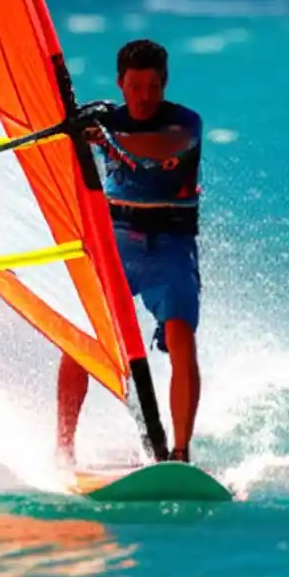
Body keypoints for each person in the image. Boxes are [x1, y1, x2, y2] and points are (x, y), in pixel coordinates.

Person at [57, 38, 204, 466]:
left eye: (153, 87)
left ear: (164, 85)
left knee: (180, 337)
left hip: (170, 248)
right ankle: (63, 450)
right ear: (121, 84)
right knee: (79, 340)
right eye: (135, 87)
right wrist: (71, 130)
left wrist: (107, 137)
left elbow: (157, 148)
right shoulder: (104, 121)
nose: (143, 97)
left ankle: (180, 453)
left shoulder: (185, 124)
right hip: (116, 245)